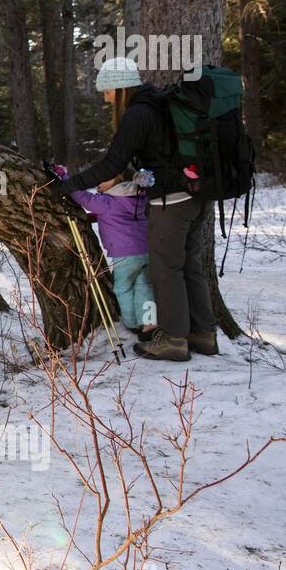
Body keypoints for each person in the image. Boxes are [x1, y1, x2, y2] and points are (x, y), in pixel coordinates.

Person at [53, 57, 218, 362]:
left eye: (106, 91)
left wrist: (69, 185)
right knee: (189, 264)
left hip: (173, 199)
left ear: (119, 87)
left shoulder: (138, 114)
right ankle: (203, 335)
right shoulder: (162, 105)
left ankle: (173, 340)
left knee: (165, 269)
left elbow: (111, 165)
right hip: (199, 195)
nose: (104, 97)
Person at [51, 164, 155, 340]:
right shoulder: (140, 197)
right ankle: (149, 323)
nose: (100, 180)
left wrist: (65, 179)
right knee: (144, 285)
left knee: (123, 287)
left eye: (106, 177)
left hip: (125, 254)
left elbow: (81, 197)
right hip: (147, 250)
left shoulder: (108, 202)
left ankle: (132, 323)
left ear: (118, 182)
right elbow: (121, 216)